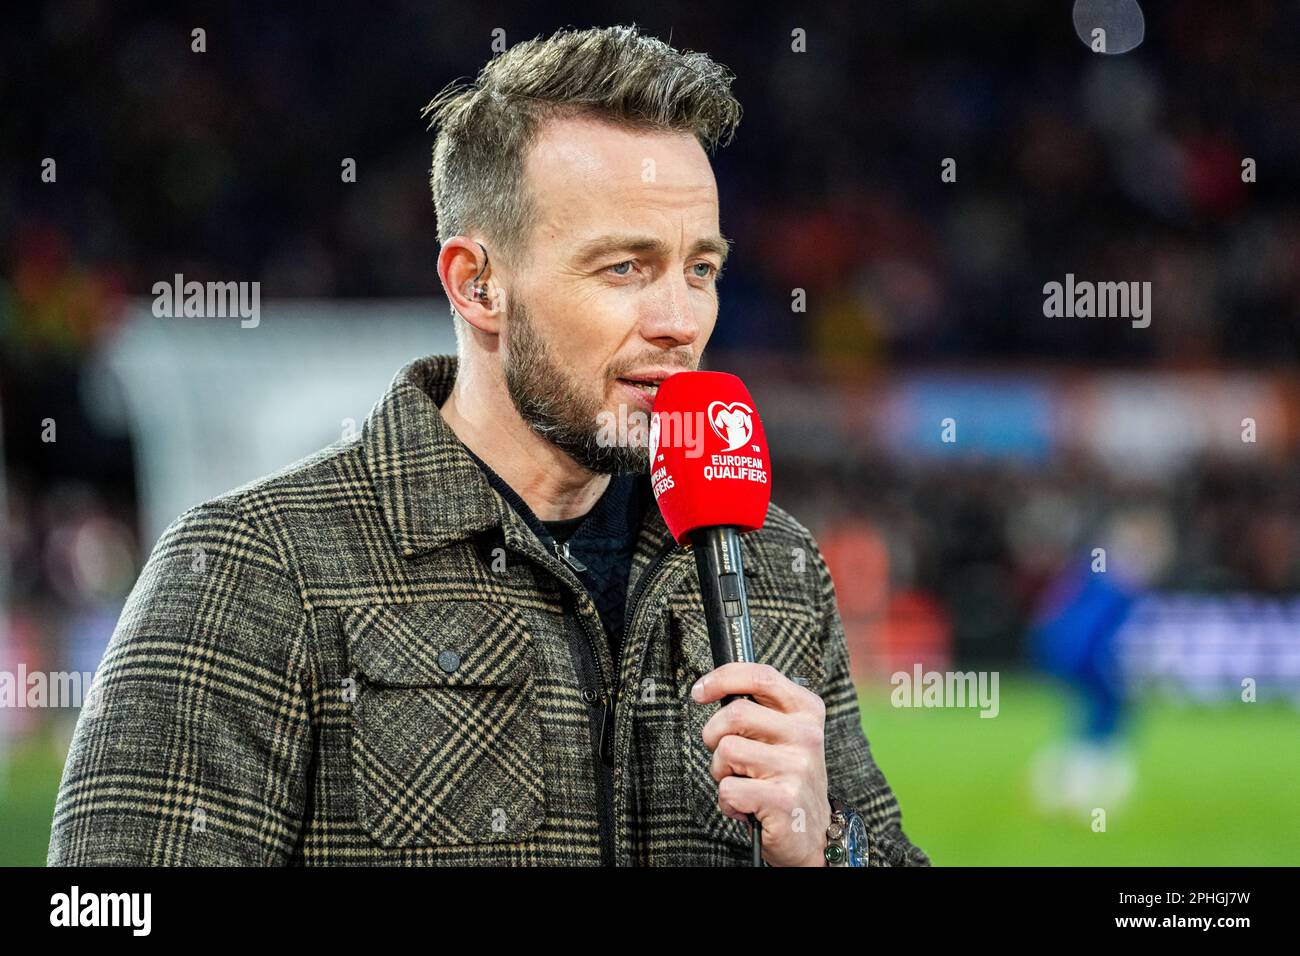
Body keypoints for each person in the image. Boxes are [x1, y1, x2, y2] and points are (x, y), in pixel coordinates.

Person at [48, 24, 928, 867]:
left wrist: (824, 850)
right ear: (478, 285)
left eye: (699, 269)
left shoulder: (772, 561)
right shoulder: (254, 567)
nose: (680, 323)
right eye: (625, 267)